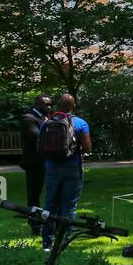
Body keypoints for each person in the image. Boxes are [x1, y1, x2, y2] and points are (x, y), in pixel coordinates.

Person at [39, 93, 92, 252]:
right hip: (72, 167)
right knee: (69, 205)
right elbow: (88, 147)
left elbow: (40, 146)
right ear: (73, 105)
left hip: (51, 167)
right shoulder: (80, 123)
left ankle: (46, 241)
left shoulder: (46, 123)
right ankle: (64, 241)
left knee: (49, 203)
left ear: (58, 106)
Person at [18, 95, 53, 235]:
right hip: (35, 163)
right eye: (46, 105)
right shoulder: (28, 119)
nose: (49, 107)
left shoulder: (46, 118)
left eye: (50, 104)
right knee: (34, 195)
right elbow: (38, 137)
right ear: (37, 104)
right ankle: (35, 225)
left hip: (48, 162)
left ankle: (52, 223)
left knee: (52, 193)